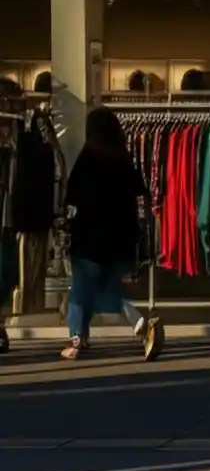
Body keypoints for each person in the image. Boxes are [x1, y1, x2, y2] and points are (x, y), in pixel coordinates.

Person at [62, 107, 163, 361]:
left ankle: (136, 322)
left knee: (87, 290)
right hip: (122, 239)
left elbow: (71, 195)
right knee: (96, 288)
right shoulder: (123, 158)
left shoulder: (88, 157)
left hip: (90, 237)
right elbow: (142, 192)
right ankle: (80, 337)